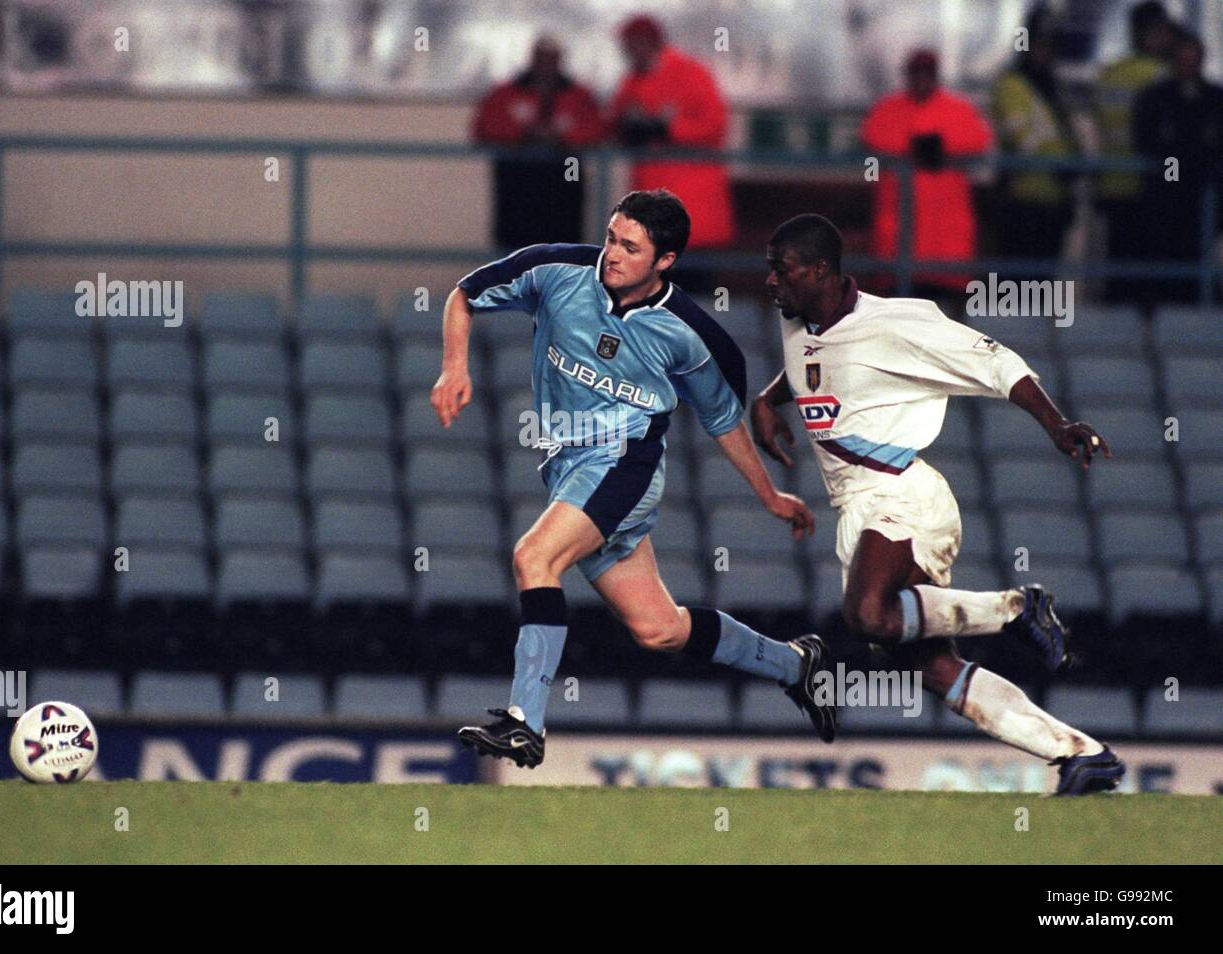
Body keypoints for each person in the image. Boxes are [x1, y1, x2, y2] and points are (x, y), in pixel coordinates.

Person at [432, 190, 833, 769]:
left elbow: (724, 421)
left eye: (630, 247)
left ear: (664, 261)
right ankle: (796, 666)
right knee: (659, 629)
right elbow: (464, 295)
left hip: (625, 465)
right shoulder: (557, 271)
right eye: (612, 236)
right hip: (569, 471)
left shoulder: (689, 334)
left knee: (534, 558)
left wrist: (767, 495)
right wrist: (453, 365)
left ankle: (524, 724)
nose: (612, 253)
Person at [749, 213, 1126, 796]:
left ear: (821, 270)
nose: (771, 281)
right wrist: (769, 400)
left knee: (867, 616)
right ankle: (1081, 753)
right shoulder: (801, 316)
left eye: (782, 269)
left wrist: (1057, 425)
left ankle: (1015, 609)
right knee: (928, 666)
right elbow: (812, 363)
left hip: (902, 494)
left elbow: (996, 360)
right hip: (857, 510)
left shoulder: (900, 323)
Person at [608, 15, 733, 296]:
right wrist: (628, 127)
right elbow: (616, 121)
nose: (627, 51)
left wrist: (667, 128)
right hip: (654, 216)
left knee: (691, 299)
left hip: (692, 212)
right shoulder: (634, 79)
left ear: (648, 43)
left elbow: (715, 124)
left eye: (632, 44)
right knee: (654, 297)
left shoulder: (690, 72)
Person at [859, 49, 992, 304]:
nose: (921, 79)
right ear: (908, 75)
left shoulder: (958, 110)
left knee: (948, 315)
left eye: (926, 73)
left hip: (946, 238)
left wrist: (936, 148)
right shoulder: (887, 110)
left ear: (935, 75)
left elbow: (978, 141)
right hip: (899, 236)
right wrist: (920, 148)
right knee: (899, 312)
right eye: (916, 73)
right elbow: (872, 140)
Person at [471, 37, 605, 249]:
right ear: (532, 60)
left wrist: (562, 139)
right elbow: (483, 128)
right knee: (517, 255)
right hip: (517, 186)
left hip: (564, 185)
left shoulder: (579, 95)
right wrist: (523, 136)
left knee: (563, 253)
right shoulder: (506, 93)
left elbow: (596, 130)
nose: (546, 65)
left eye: (551, 59)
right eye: (541, 59)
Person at [1133, 30, 1223, 303]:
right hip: (1165, 201)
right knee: (1163, 264)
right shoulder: (1156, 98)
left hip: (1203, 201)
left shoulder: (1214, 99)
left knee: (1197, 263)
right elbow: (1150, 143)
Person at [1095, 1, 1175, 304]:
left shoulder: (1111, 73)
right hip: (1147, 187)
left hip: (1112, 183)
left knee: (1117, 269)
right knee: (1146, 274)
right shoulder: (1161, 76)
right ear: (1152, 34)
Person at [990, 8, 1080, 262]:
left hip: (1053, 203)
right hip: (1021, 201)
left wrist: (1072, 164)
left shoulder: (1052, 86)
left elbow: (1067, 136)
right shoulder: (1011, 84)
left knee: (1042, 287)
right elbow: (1022, 137)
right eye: (1039, 44)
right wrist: (1061, 163)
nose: (1045, 52)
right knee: (1019, 288)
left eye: (1049, 46)